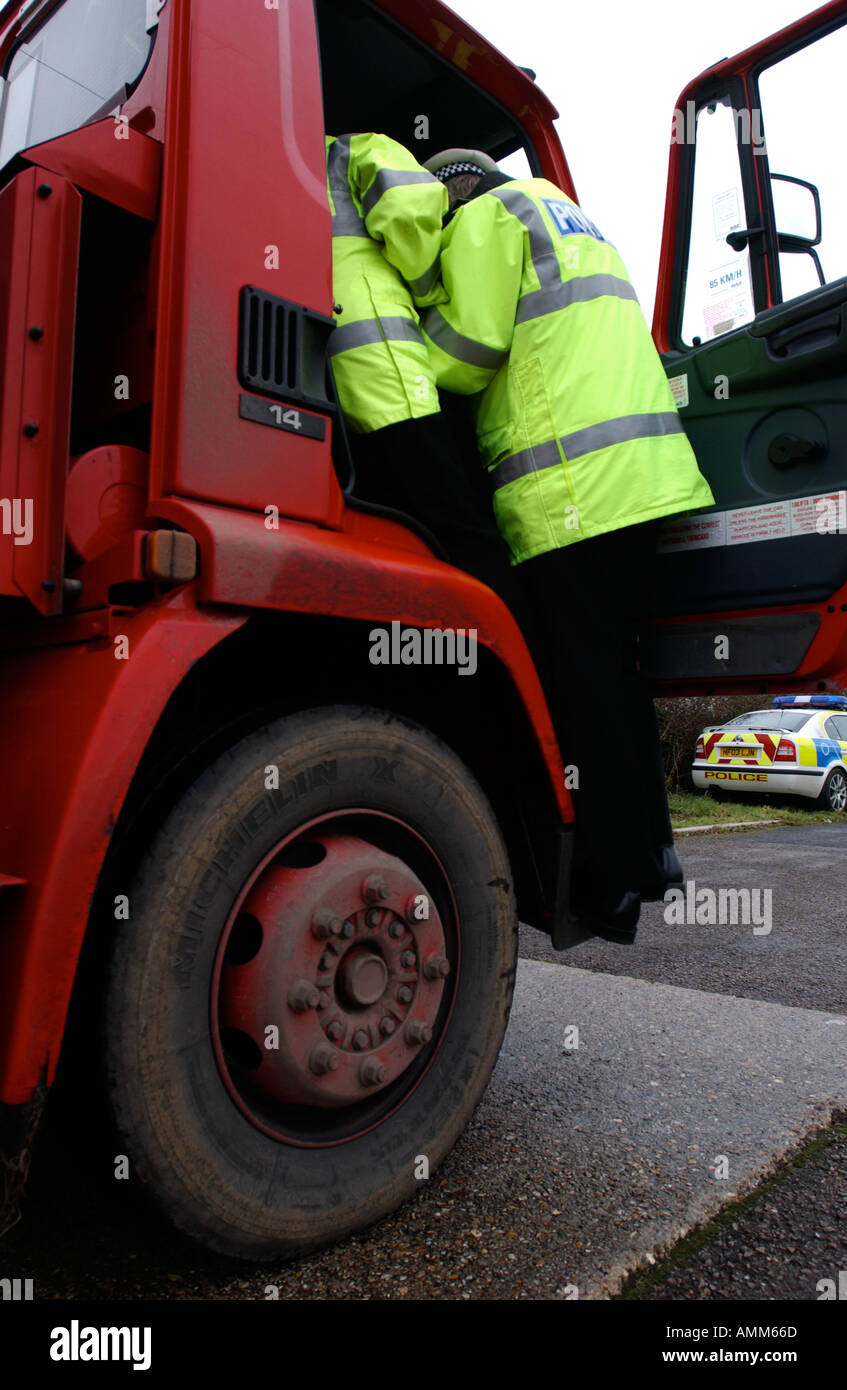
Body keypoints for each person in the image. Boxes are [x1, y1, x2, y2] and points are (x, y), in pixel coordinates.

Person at [420, 148, 717, 943]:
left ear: (454, 192)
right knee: (615, 678)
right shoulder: (575, 222)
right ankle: (650, 857)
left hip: (574, 494)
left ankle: (609, 879)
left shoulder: (486, 216)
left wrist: (401, 338)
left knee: (578, 683)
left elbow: (467, 351)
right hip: (644, 484)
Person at [325, 133, 523, 608]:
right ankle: (518, 662)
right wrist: (429, 287)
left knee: (390, 531)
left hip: (326, 382)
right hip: (384, 369)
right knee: (466, 536)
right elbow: (408, 209)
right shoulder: (349, 147)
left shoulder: (267, 162)